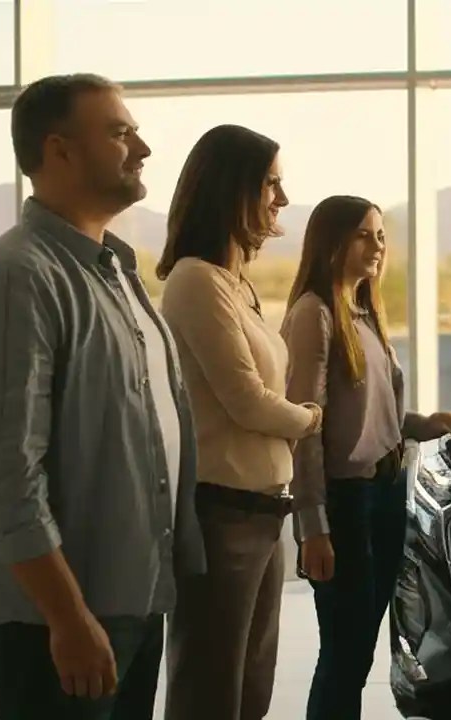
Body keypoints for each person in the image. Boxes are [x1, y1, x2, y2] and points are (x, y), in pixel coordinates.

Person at [0, 73, 203, 720]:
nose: (141, 149)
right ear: (60, 151)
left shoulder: (112, 271)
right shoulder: (15, 281)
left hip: (129, 602)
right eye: (119, 133)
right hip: (61, 625)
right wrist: (69, 618)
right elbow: (2, 481)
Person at [156, 125, 324, 720]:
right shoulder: (196, 280)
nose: (281, 198)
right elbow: (248, 402)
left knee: (250, 688)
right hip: (221, 516)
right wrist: (309, 419)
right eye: (271, 183)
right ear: (233, 190)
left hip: (260, 512)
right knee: (211, 690)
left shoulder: (236, 285)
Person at [281, 195, 451, 719]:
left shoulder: (363, 314)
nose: (378, 245)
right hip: (346, 504)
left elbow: (375, 418)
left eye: (381, 235)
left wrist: (427, 424)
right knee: (344, 655)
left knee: (357, 652)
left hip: (385, 495)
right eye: (364, 234)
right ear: (332, 241)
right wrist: (312, 527)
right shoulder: (313, 315)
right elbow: (305, 428)